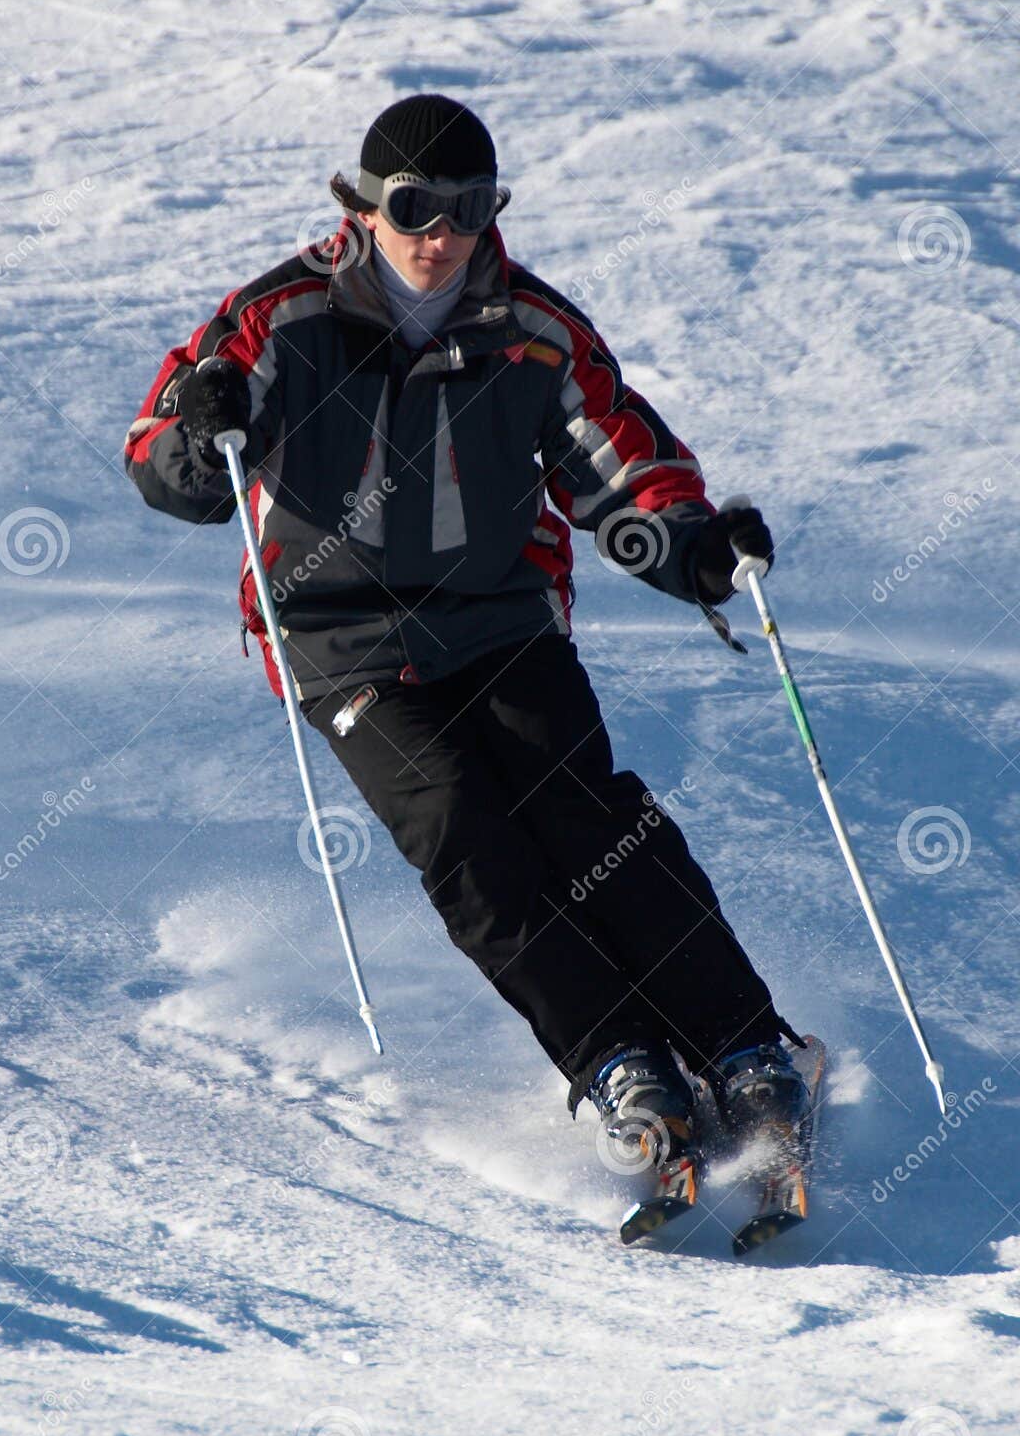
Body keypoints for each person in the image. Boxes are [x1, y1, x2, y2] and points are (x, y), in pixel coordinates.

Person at [125, 93, 807, 1193]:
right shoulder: (279, 318)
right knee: (462, 833)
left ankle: (746, 1046)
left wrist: (692, 549)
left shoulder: (530, 331)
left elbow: (614, 463)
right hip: (337, 632)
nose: (441, 236)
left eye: (470, 209)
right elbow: (166, 458)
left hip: (497, 615)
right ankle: (621, 1062)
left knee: (586, 821)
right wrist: (199, 437)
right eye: (416, 207)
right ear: (364, 204)